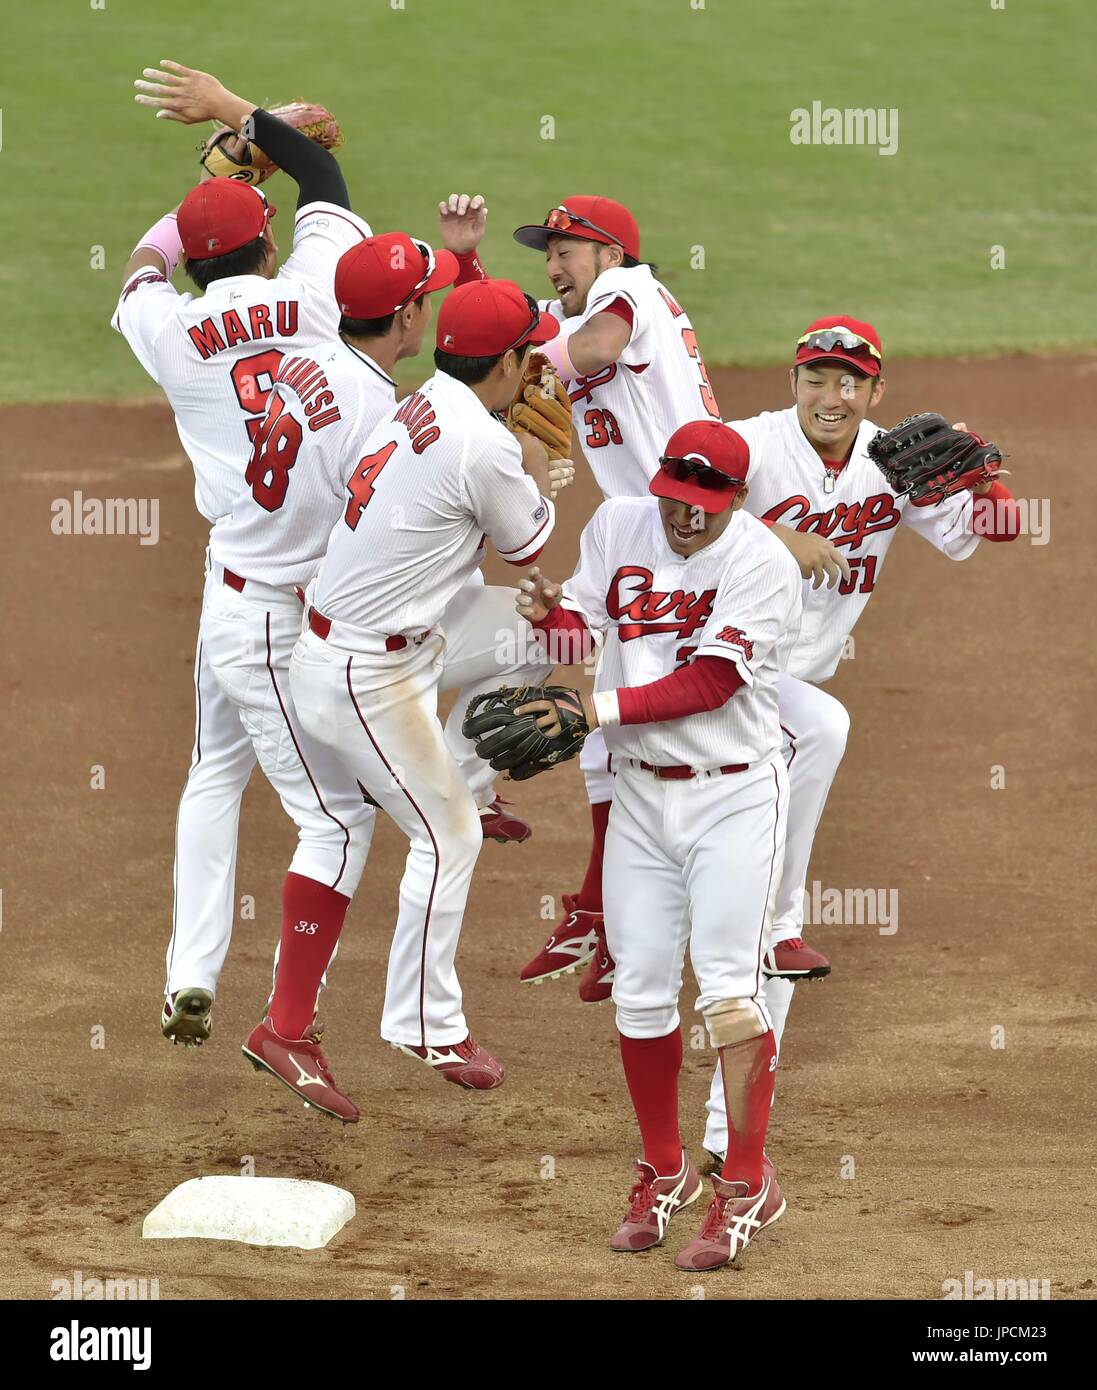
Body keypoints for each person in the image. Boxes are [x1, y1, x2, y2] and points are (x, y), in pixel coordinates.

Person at [113, 60, 375, 1050]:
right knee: (331, 817)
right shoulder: (313, 297)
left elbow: (140, 262)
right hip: (296, 607)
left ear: (193, 263)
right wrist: (248, 118)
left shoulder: (170, 330)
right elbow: (327, 183)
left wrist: (222, 169)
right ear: (271, 247)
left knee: (211, 774)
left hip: (231, 594)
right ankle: (290, 1019)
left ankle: (190, 971)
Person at [515, 420, 801, 1269]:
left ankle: (747, 1183)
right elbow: (585, 636)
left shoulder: (761, 564)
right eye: (676, 499)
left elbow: (711, 683)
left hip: (734, 795)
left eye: (704, 506)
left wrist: (592, 713)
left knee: (728, 996)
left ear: (736, 502)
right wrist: (552, 620)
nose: (684, 518)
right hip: (640, 796)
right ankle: (664, 1169)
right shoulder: (618, 525)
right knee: (640, 994)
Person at [281, 279, 562, 1097]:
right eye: (528, 354)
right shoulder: (485, 448)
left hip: (387, 641)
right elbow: (530, 542)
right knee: (446, 840)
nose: (535, 369)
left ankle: (466, 779)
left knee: (544, 629)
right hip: (365, 676)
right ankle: (423, 1025)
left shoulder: (427, 399)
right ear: (505, 362)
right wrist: (537, 464)